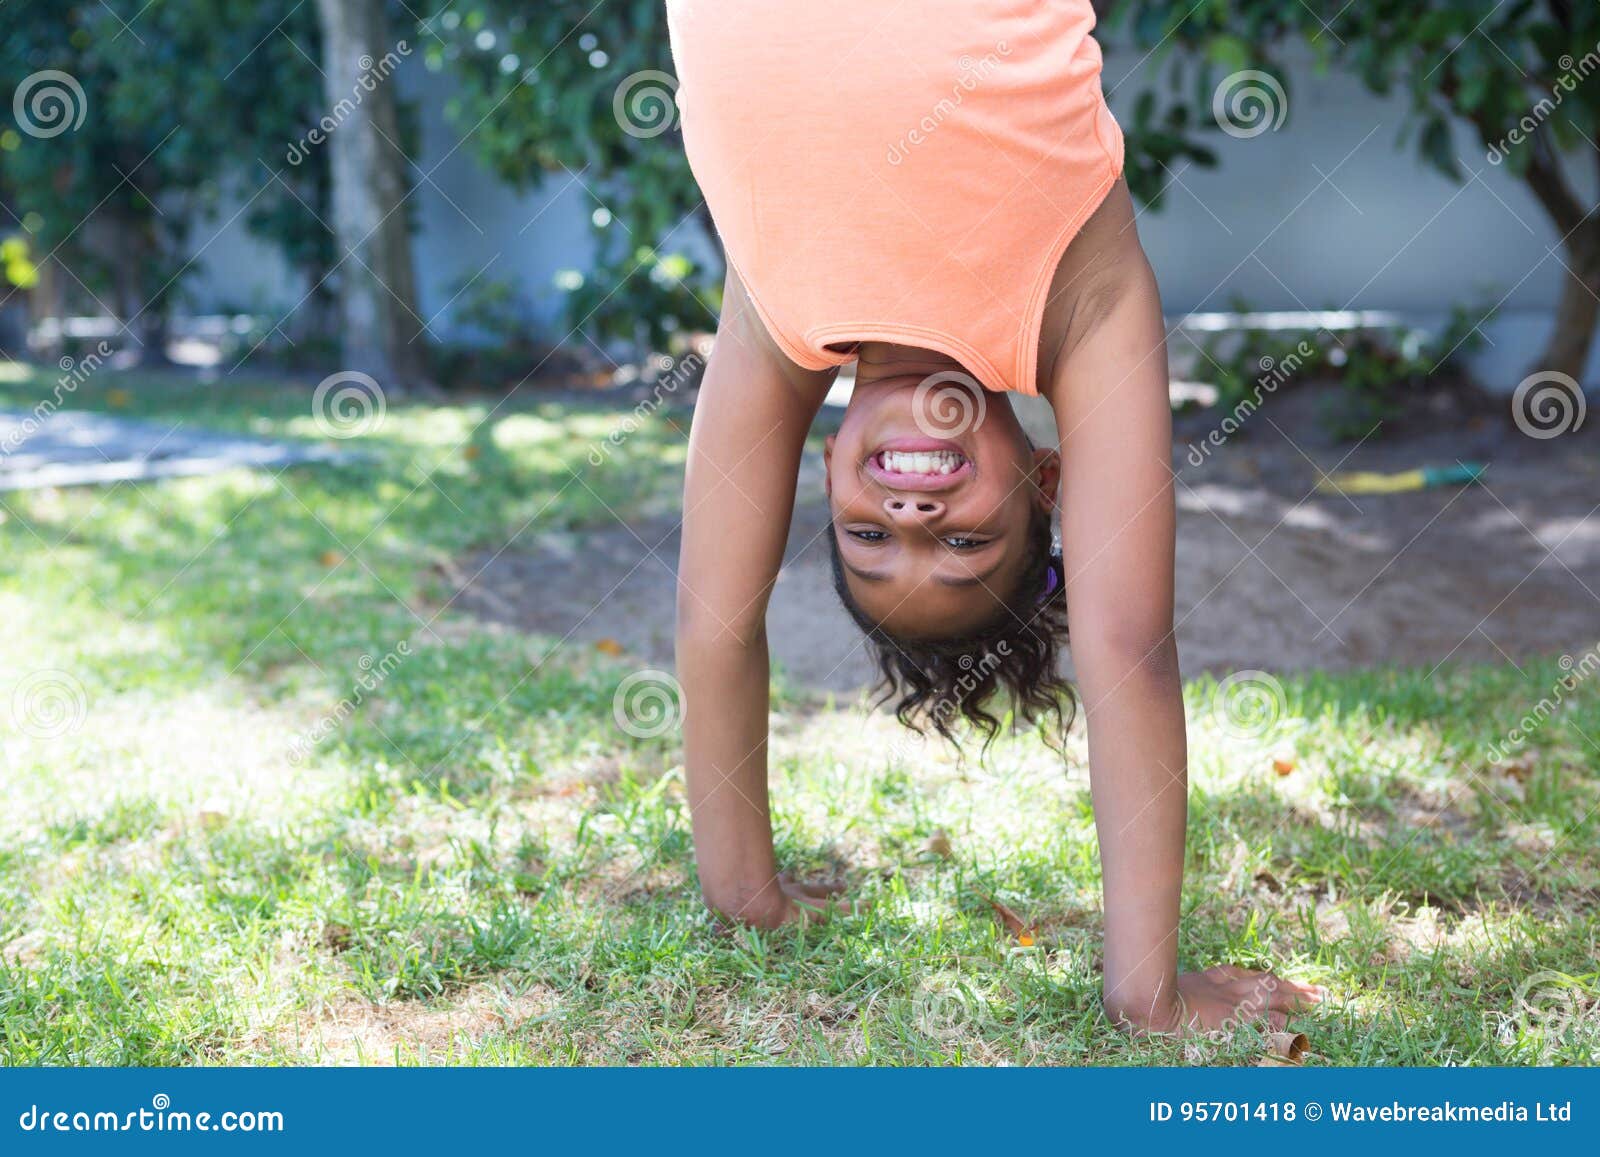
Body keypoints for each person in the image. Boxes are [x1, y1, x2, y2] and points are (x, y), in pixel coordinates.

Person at [668, 0, 1323, 1034]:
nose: (913, 509)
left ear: (825, 469)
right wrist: (1143, 990)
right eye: (964, 537)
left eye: (870, 535)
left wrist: (747, 894)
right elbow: (1124, 641)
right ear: (1044, 481)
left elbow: (713, 624)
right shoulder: (1083, 309)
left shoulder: (779, 319)